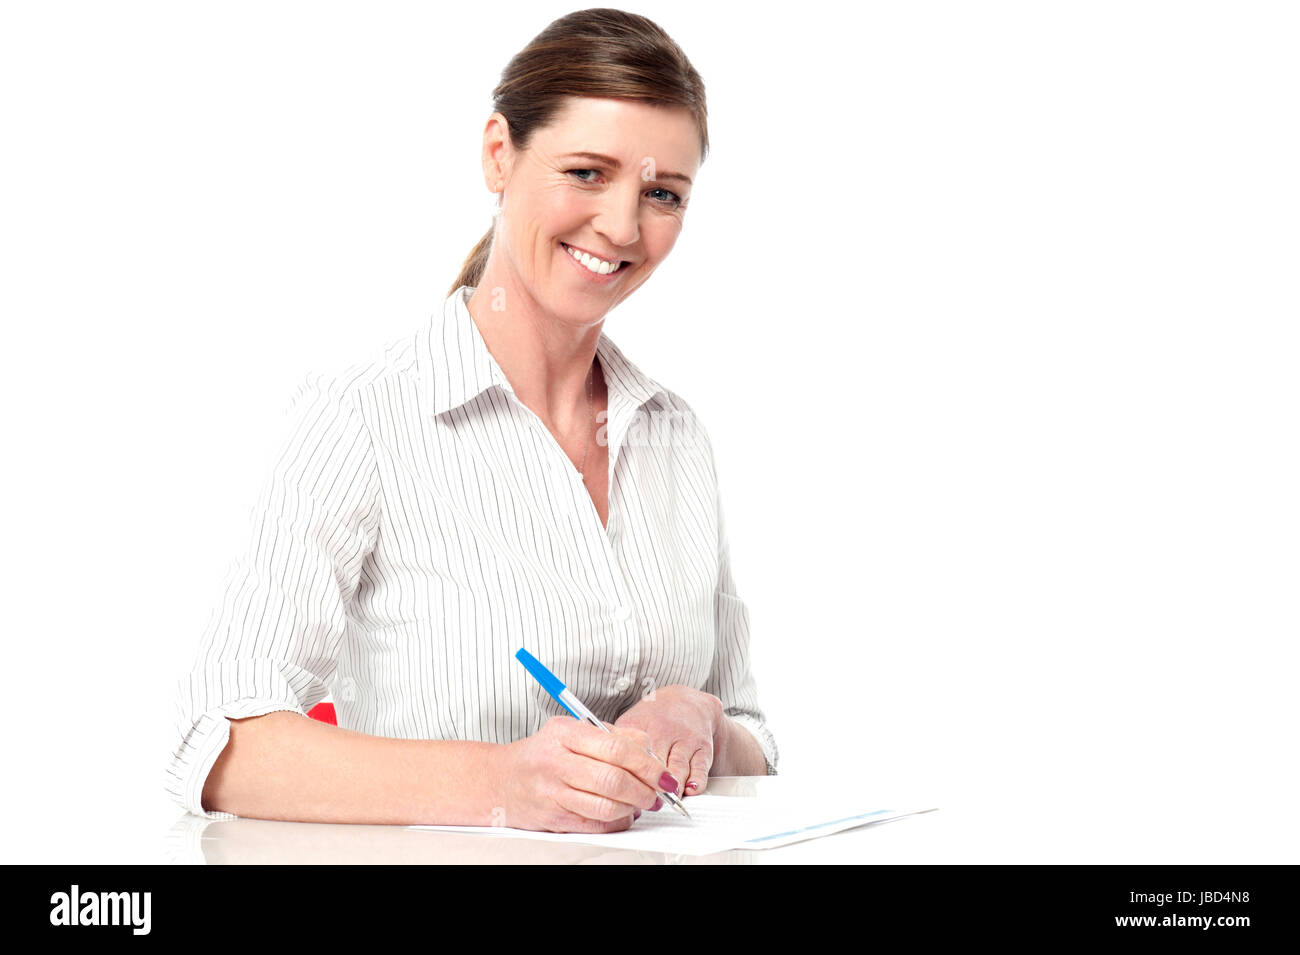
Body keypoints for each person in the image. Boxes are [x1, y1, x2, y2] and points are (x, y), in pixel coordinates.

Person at [166, 8, 777, 833]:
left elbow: (758, 738)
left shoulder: (676, 435)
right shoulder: (364, 417)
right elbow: (216, 742)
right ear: (499, 153)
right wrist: (505, 781)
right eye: (588, 173)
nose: (624, 226)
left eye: (662, 193)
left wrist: (703, 720)